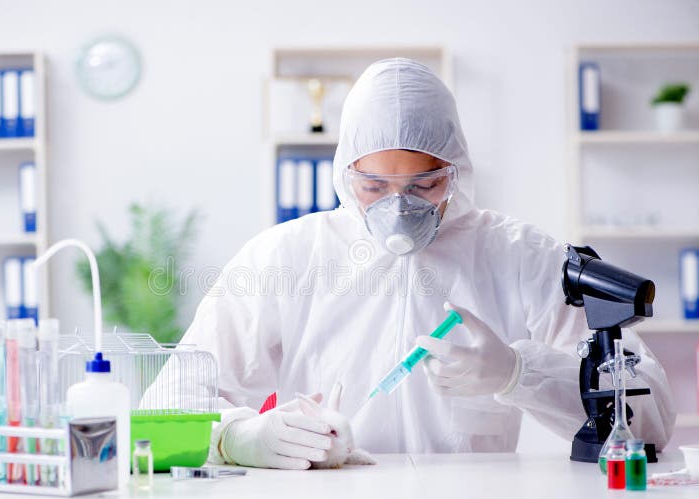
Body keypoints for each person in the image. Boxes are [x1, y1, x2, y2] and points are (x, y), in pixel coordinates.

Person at [179, 58, 675, 469]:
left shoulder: (518, 254)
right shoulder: (284, 257)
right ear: (345, 172)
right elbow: (172, 401)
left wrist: (520, 372)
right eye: (374, 186)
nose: (399, 206)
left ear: (454, 170)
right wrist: (239, 437)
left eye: (424, 185)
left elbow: (650, 418)